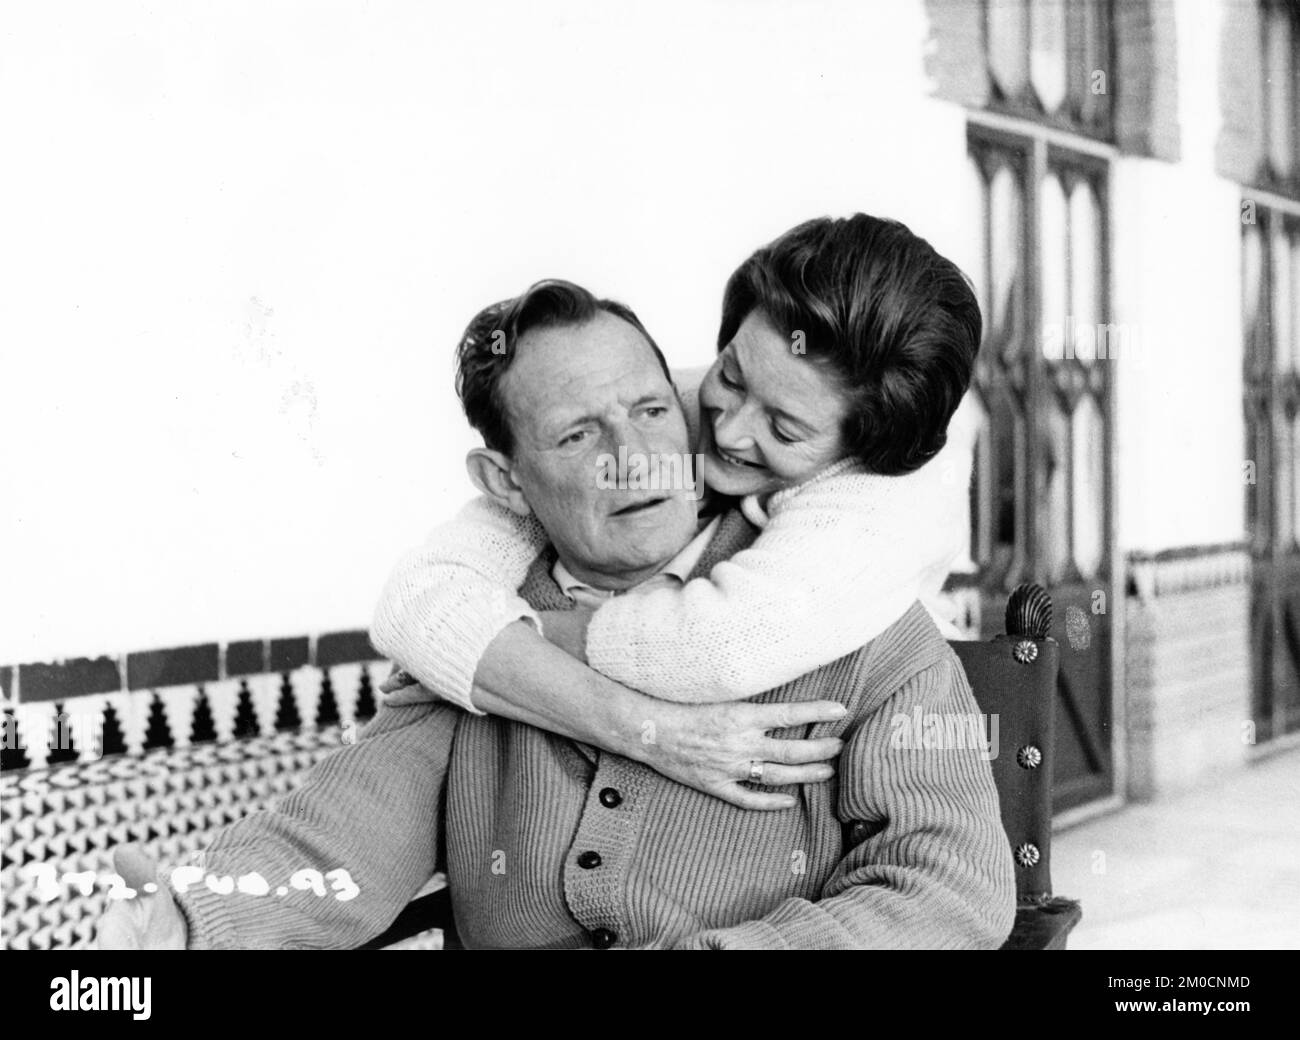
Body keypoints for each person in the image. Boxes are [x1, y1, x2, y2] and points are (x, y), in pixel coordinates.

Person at [96, 278, 1013, 950]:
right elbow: (345, 834)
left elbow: (950, 889)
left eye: (652, 409)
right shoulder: (483, 642)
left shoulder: (852, 620)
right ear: (507, 481)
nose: (634, 455)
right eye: (578, 435)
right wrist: (189, 921)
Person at [372, 214, 980, 808]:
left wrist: (502, 635)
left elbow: (722, 648)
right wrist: (648, 729)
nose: (727, 429)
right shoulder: (660, 412)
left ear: (857, 452)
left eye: (785, 430)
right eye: (732, 376)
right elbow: (419, 602)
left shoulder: (889, 498)